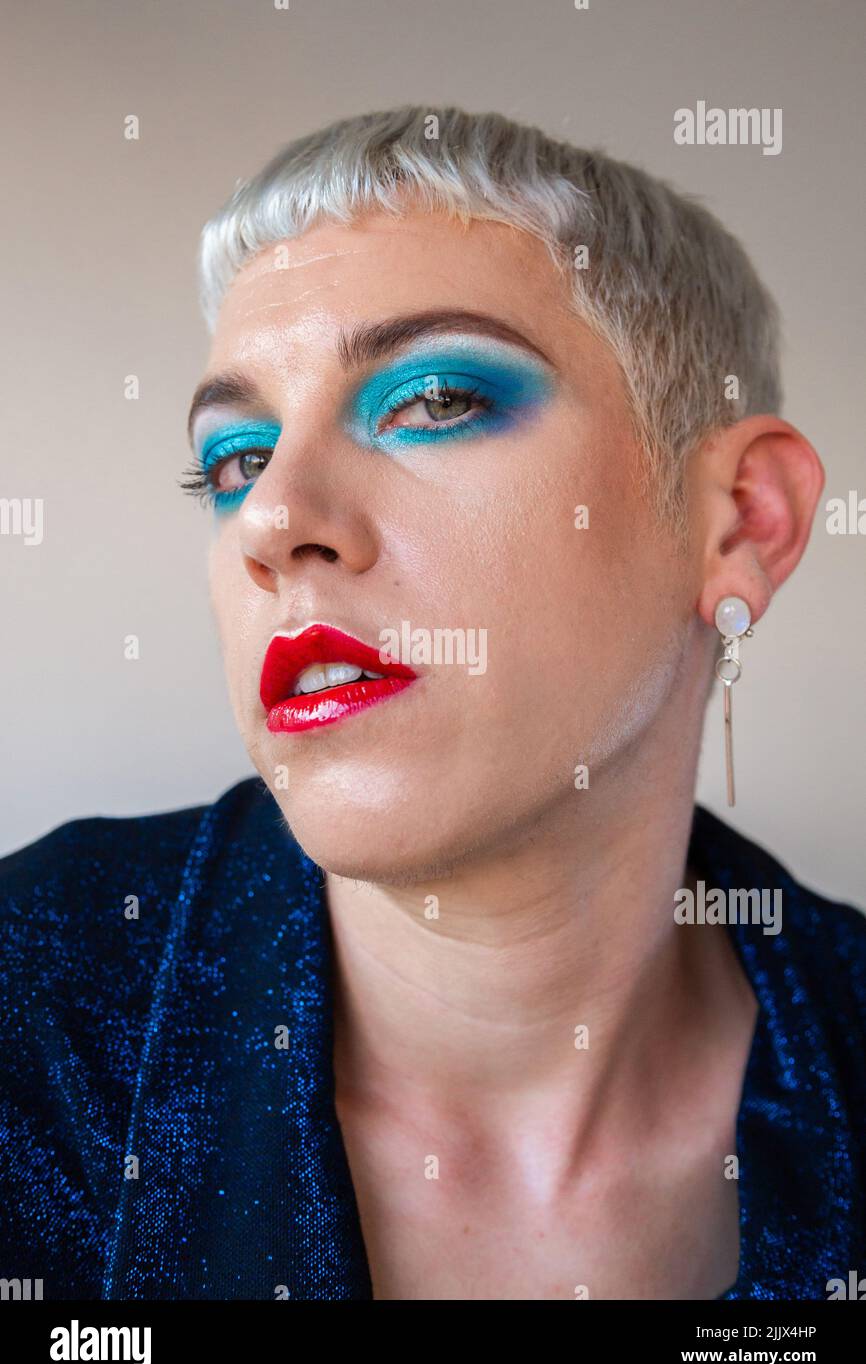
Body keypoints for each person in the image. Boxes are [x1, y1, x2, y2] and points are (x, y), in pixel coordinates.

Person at [1, 106, 863, 1302]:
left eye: (434, 400)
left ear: (737, 520)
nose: (272, 517)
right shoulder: (34, 1010)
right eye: (235, 458)